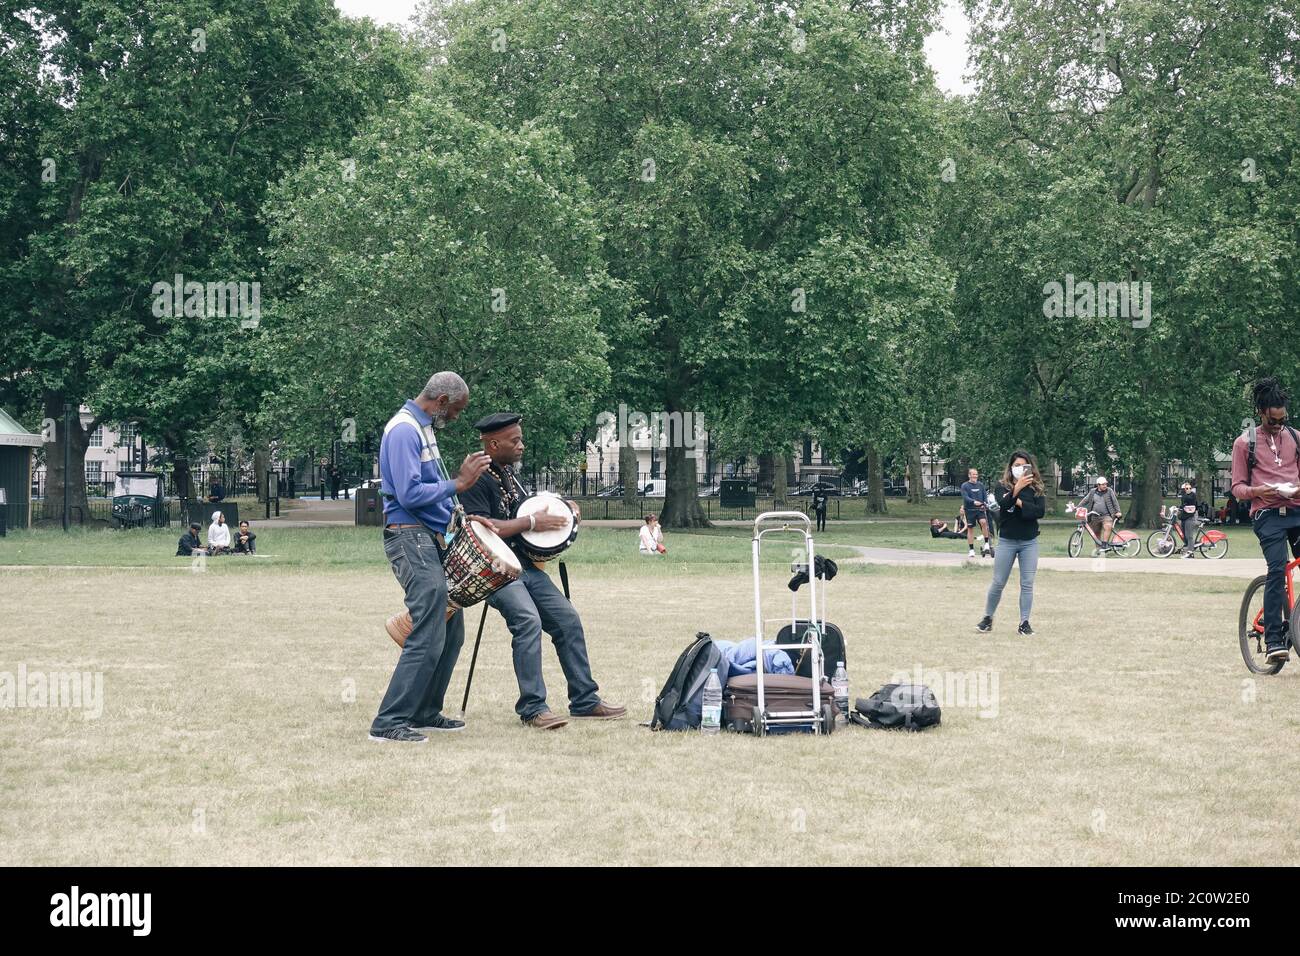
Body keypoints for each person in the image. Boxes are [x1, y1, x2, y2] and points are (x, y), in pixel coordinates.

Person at [451, 412, 625, 730]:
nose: (522, 445)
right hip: (496, 572)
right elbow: (479, 531)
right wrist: (531, 523)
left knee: (567, 620)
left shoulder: (508, 474)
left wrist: (564, 514)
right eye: (514, 440)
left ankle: (584, 700)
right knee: (527, 621)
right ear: (493, 443)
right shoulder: (474, 477)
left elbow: (530, 514)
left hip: (526, 567)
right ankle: (533, 707)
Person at [369, 371, 492, 744]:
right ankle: (389, 720)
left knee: (451, 628)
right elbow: (408, 494)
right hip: (410, 539)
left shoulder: (423, 429)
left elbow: (429, 492)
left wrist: (462, 517)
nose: (456, 417)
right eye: (455, 410)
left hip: (427, 537)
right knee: (428, 628)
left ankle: (424, 710)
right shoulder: (405, 429)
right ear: (441, 401)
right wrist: (460, 484)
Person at [1230, 377, 1300, 666]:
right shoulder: (1244, 443)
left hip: (1296, 510)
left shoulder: (1295, 438)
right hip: (1267, 515)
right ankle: (1273, 640)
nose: (1278, 425)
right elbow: (1237, 488)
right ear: (1261, 413)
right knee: (1277, 569)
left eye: (1282, 420)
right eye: (1273, 421)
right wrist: (1259, 491)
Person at [976, 450, 1045, 636]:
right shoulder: (1002, 486)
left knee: (1027, 583)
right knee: (998, 582)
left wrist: (1021, 503)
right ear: (1010, 467)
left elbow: (1038, 512)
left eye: (1023, 465)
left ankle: (1024, 622)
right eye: (1016, 465)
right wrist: (1016, 489)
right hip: (1007, 540)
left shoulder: (1036, 487)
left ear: (1029, 467)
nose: (1019, 469)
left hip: (1029, 542)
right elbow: (1004, 505)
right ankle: (987, 618)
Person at [1077, 476, 1122, 552]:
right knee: (1096, 533)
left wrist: (1118, 511)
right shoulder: (1092, 492)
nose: (1105, 486)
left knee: (1107, 526)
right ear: (1098, 485)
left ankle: (1104, 544)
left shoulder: (1109, 491)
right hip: (1094, 516)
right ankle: (1098, 550)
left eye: (1105, 484)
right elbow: (1085, 500)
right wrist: (1077, 507)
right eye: (1103, 484)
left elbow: (1115, 502)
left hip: (1106, 515)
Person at [960, 467, 992, 558]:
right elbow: (965, 497)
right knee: (970, 529)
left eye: (976, 474)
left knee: (984, 522)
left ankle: (986, 544)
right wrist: (973, 502)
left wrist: (984, 503)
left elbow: (984, 495)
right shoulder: (964, 486)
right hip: (970, 510)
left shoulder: (980, 485)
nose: (975, 476)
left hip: (980, 509)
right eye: (973, 474)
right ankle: (971, 550)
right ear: (969, 475)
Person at [1177, 480, 1199, 558]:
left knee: (1189, 535)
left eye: (1187, 488)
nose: (1185, 490)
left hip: (1190, 517)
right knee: (1185, 535)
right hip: (1185, 518)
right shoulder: (1184, 496)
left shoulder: (1192, 495)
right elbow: (1183, 505)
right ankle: (1188, 548)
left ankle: (1190, 553)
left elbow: (1189, 502)